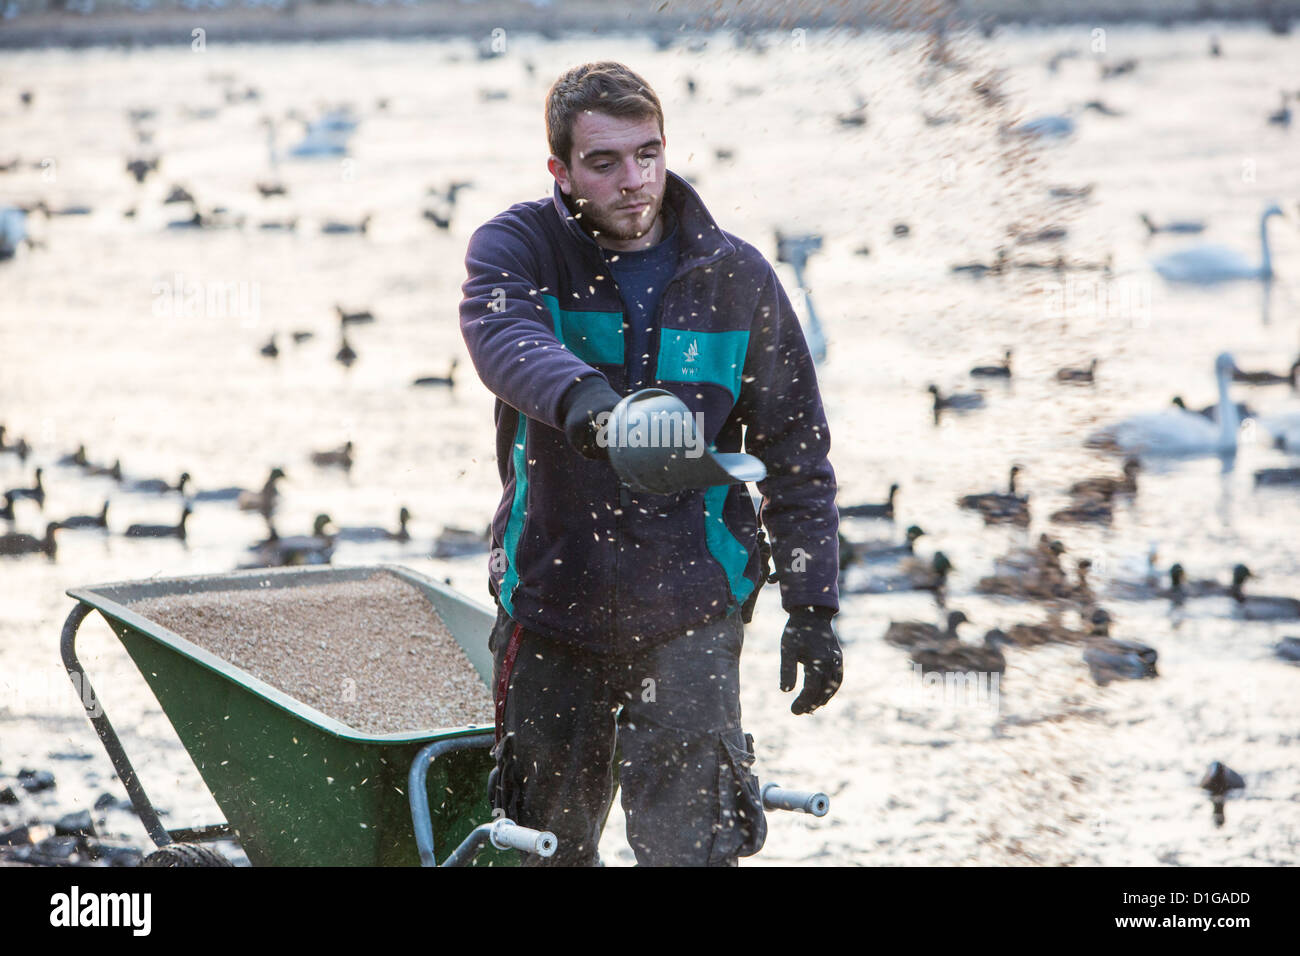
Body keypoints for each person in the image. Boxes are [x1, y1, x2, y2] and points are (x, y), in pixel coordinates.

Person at [459, 61, 842, 866]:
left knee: (691, 853)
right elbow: (504, 342)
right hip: (551, 604)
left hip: (690, 614)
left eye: (648, 154)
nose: (633, 181)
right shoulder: (519, 248)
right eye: (603, 163)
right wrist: (595, 411)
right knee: (543, 855)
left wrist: (812, 606)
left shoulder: (738, 280)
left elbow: (797, 455)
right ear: (561, 170)